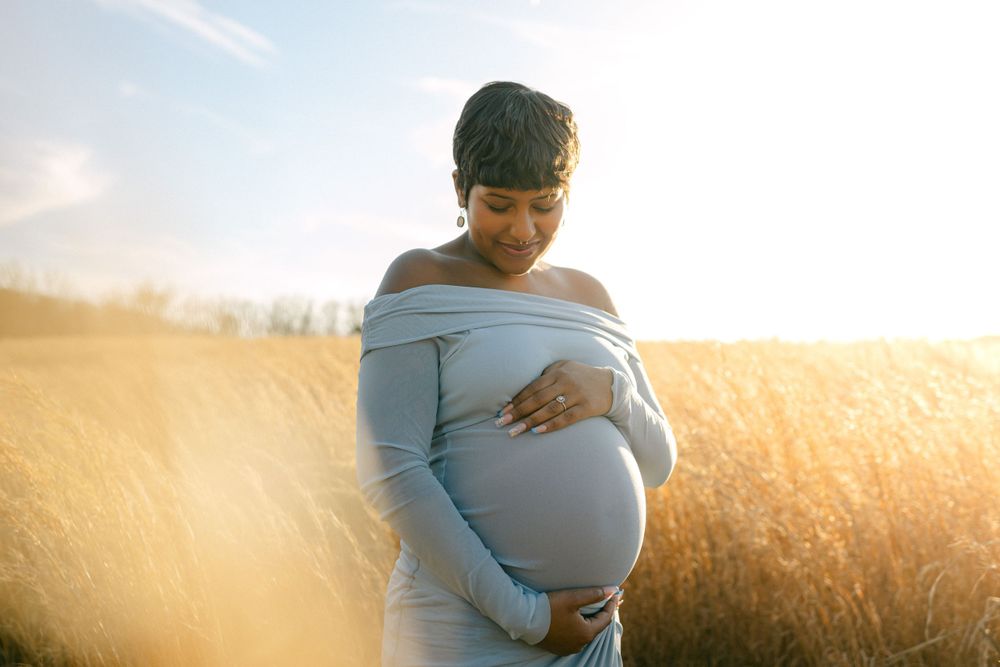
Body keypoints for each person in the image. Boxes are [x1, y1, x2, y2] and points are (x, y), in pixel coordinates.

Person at [355, 81, 677, 666]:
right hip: (465, 629)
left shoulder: (591, 295)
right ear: (461, 187)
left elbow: (658, 464)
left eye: (545, 204)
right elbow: (391, 471)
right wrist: (525, 616)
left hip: (589, 639)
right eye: (499, 205)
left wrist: (614, 393)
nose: (523, 229)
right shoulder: (420, 278)